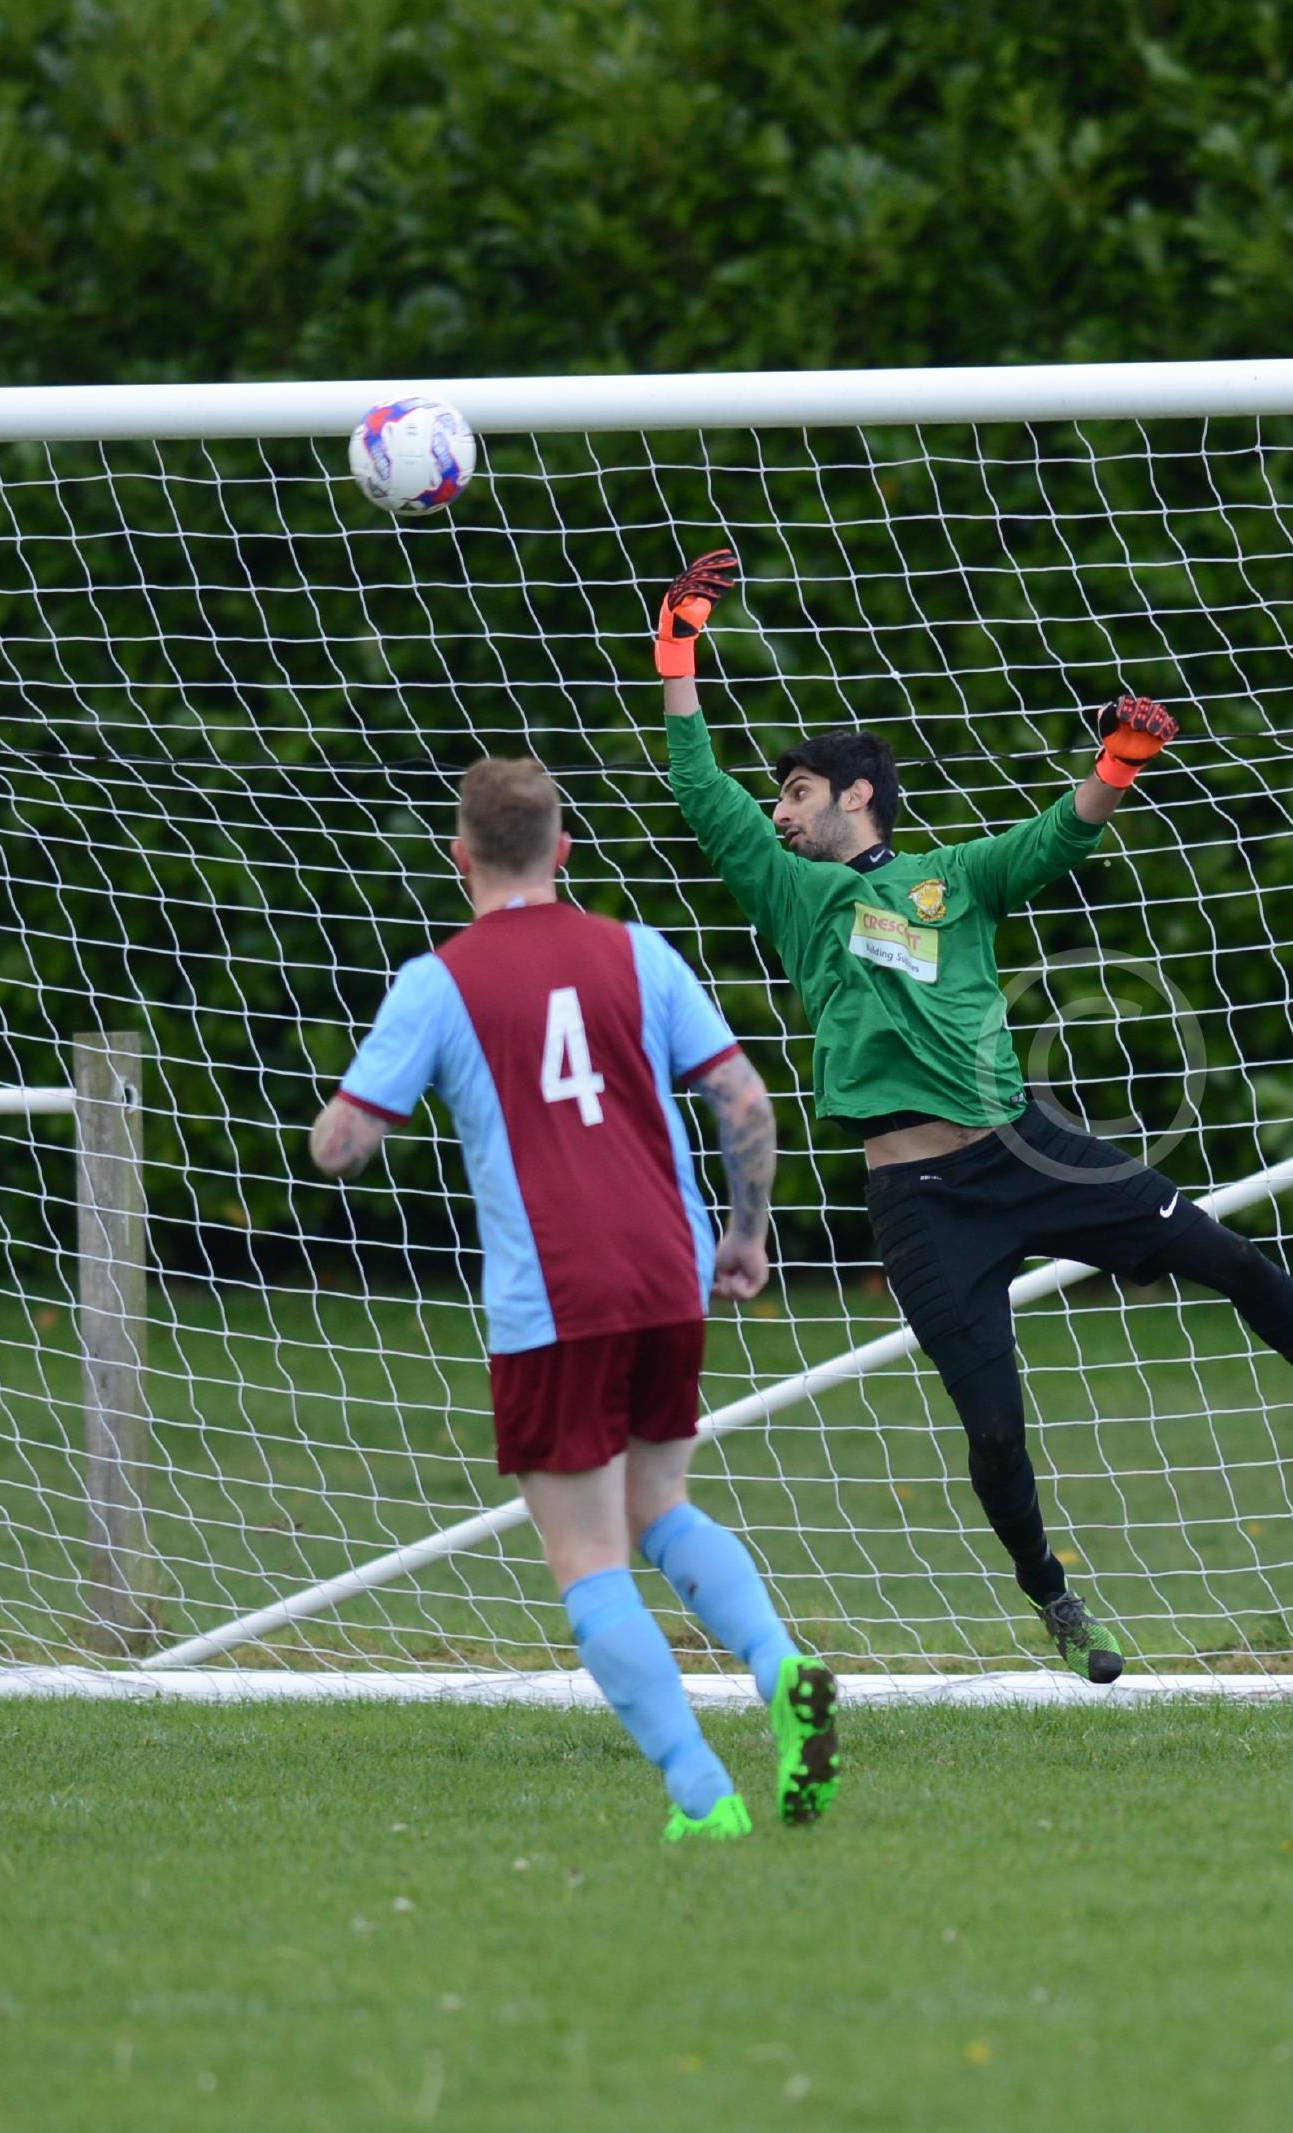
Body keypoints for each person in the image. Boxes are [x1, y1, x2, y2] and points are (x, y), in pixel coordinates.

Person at [647, 548, 1293, 1684]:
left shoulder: (953, 879)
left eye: (794, 791)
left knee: (1232, 1260)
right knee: (994, 1424)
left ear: (855, 795)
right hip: (921, 1202)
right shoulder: (790, 889)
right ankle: (1053, 1596)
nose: (776, 810)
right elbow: (699, 787)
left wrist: (1118, 763)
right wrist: (680, 649)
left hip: (1028, 1150)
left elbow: (1056, 834)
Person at [307, 756, 836, 1839]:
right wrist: (743, 1234)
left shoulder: (438, 982)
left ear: (460, 858)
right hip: (668, 1268)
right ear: (563, 849)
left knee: (587, 1555)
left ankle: (703, 1795)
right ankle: (781, 1665)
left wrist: (356, 1109)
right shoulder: (640, 952)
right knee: (659, 1504)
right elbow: (744, 1099)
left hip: (552, 1291)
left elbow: (342, 1145)